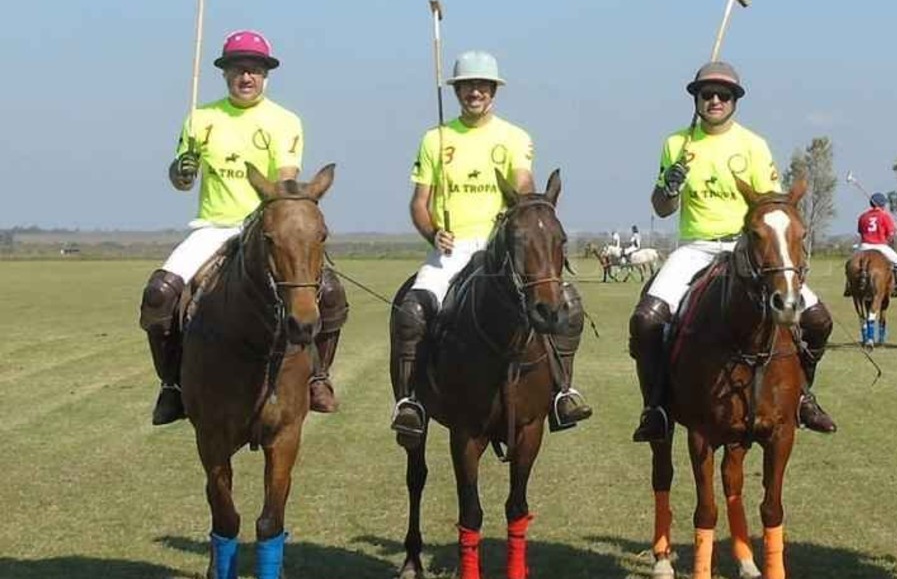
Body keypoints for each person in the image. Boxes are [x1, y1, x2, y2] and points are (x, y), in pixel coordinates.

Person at [139, 30, 348, 425]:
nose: (246, 77)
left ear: (266, 75)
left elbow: (285, 185)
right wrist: (182, 170)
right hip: (214, 227)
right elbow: (181, 181)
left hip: (265, 227)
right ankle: (172, 386)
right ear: (225, 74)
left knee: (332, 293)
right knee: (159, 294)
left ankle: (318, 377)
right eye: (239, 69)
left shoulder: (283, 121)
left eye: (254, 69)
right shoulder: (201, 119)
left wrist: (273, 226)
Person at [389, 51, 591, 448]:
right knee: (412, 311)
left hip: (503, 251)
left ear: (494, 92)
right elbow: (419, 203)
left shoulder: (515, 137)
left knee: (565, 304)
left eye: (483, 86)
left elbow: (523, 191)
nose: (475, 92)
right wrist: (433, 232)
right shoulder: (436, 139)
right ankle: (411, 401)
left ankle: (563, 391)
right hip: (452, 249)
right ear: (458, 91)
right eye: (467, 86)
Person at [628, 61, 837, 443]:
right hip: (697, 247)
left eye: (723, 95)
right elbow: (661, 207)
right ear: (696, 99)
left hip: (747, 248)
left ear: (735, 101)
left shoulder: (753, 145)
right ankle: (656, 406)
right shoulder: (677, 145)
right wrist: (670, 185)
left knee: (819, 320)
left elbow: (773, 203)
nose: (714, 100)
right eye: (706, 94)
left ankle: (803, 394)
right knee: (646, 320)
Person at [854, 192, 897, 296]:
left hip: (864, 246)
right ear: (882, 204)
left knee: (851, 263)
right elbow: (890, 234)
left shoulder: (862, 216)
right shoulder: (884, 216)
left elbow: (860, 232)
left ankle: (849, 287)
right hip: (880, 246)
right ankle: (896, 287)